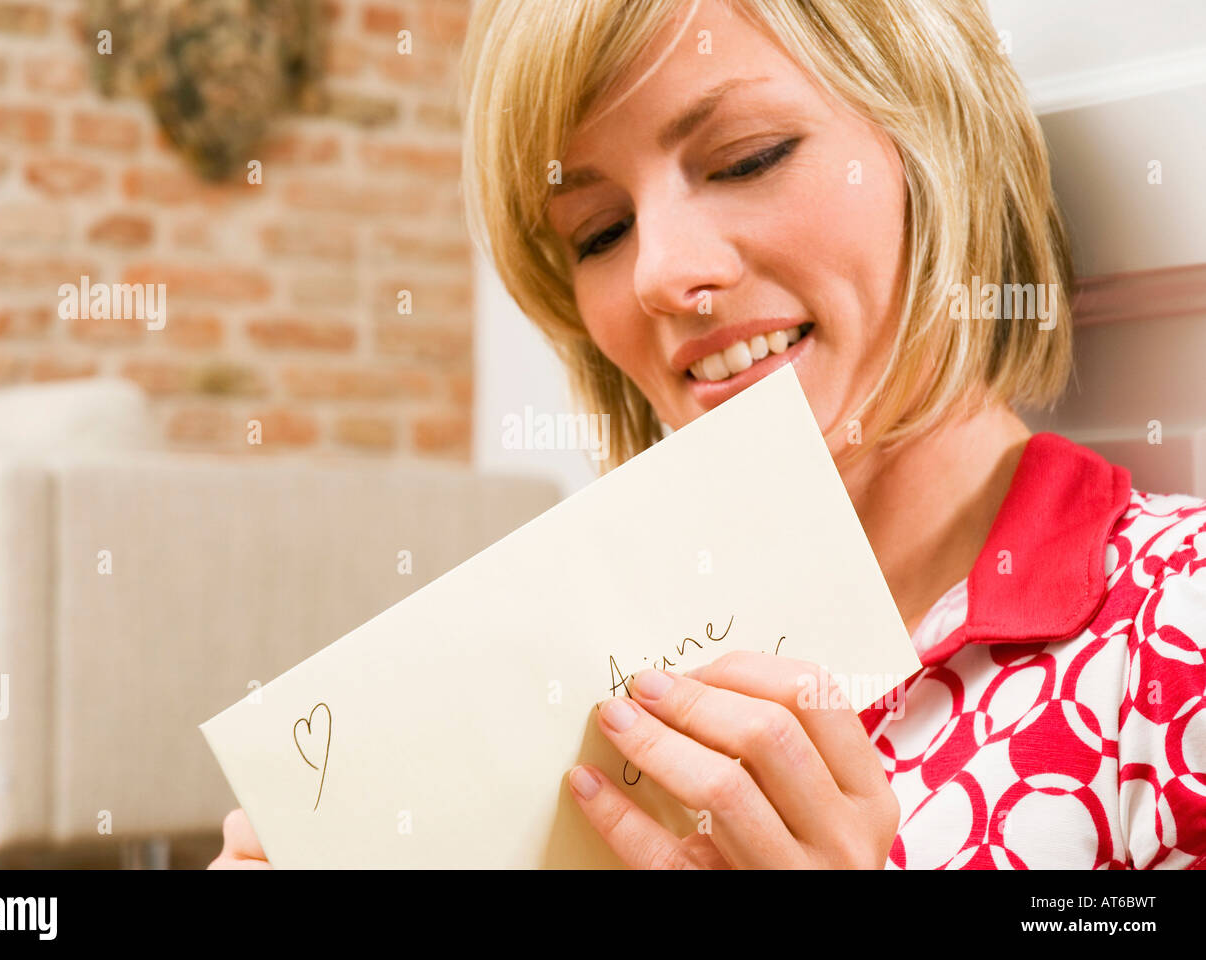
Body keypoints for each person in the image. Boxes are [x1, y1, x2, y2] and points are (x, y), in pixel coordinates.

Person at [213, 0, 1206, 869]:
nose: (659, 273)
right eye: (600, 232)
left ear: (937, 139)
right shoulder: (570, 687)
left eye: (747, 158)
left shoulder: (1171, 636)